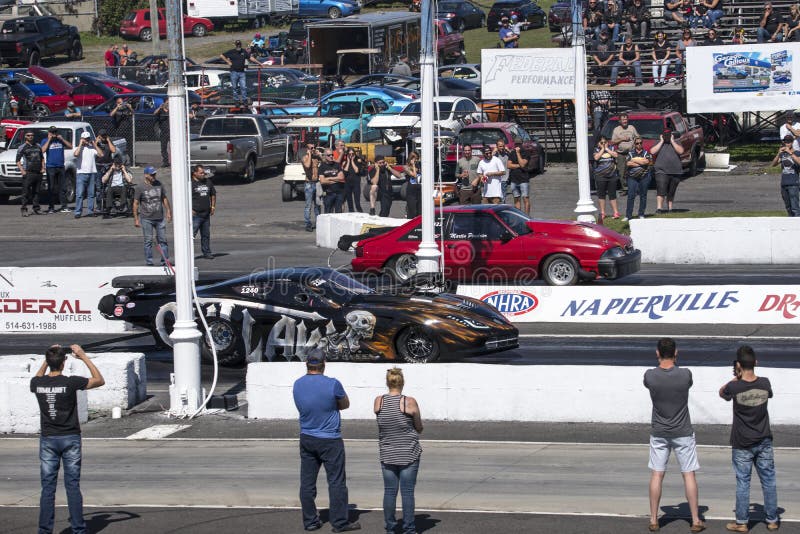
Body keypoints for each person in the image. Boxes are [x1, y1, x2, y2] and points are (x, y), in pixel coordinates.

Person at [30, 344, 105, 534]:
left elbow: (39, 376)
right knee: (72, 486)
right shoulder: (71, 382)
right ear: (64, 363)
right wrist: (83, 356)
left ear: (48, 362)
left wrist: (48, 358)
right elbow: (99, 380)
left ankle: (44, 531)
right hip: (70, 436)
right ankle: (78, 529)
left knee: (48, 488)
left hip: (48, 438)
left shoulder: (37, 383)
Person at [644, 338, 706, 533]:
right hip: (682, 430)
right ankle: (695, 519)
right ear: (676, 353)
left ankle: (654, 519)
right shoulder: (685, 374)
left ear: (657, 353)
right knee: (688, 474)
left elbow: (648, 383)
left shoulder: (650, 375)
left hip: (659, 430)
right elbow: (688, 383)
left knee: (657, 474)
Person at [293, 355, 361, 533]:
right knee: (336, 482)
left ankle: (310, 521)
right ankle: (339, 523)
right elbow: (345, 404)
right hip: (330, 439)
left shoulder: (297, 384)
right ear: (323, 365)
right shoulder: (333, 383)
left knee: (307, 483)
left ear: (307, 364)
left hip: (307, 436)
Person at [719, 346, 780, 532]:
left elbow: (722, 392)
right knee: (768, 480)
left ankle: (742, 522)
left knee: (743, 483)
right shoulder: (765, 383)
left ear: (738, 365)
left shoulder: (734, 386)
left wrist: (736, 377)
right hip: (764, 439)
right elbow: (769, 394)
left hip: (742, 442)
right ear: (756, 362)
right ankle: (772, 520)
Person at [374, 368, 423, 534]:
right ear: (402, 382)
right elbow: (419, 427)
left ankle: (390, 528)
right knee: (407, 493)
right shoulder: (409, 402)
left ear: (387, 383)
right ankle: (409, 528)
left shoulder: (379, 401)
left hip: (387, 453)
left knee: (389, 492)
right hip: (408, 453)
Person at [133, 166, 172, 266]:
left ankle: (165, 261)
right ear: (146, 175)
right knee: (148, 241)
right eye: (152, 175)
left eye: (154, 174)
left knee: (163, 240)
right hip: (147, 218)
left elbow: (164, 198)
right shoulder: (140, 187)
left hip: (159, 217)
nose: (154, 176)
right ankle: (149, 261)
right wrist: (136, 219)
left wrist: (168, 211)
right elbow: (136, 203)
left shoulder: (159, 184)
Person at [651, 128, 684, 213]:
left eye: (668, 135)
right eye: (665, 135)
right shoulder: (658, 142)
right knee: (661, 189)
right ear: (662, 135)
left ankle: (670, 208)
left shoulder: (676, 141)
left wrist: (672, 141)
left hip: (675, 171)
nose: (667, 136)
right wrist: (661, 141)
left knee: (671, 191)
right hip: (661, 170)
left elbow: (681, 151)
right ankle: (659, 208)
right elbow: (652, 151)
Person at [41, 126, 72, 214]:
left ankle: (64, 206)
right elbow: (42, 150)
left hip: (60, 166)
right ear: (49, 133)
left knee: (63, 187)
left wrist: (62, 139)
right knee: (51, 187)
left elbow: (70, 146)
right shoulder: (45, 140)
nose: (54, 134)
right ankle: (51, 207)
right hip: (51, 167)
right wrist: (49, 140)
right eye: (52, 132)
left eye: (55, 132)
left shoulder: (60, 140)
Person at [72, 132, 103, 219]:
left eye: (88, 138)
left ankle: (90, 211)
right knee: (79, 193)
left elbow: (101, 154)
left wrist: (94, 144)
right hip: (81, 173)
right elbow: (76, 154)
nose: (87, 140)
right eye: (85, 139)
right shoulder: (78, 148)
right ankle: (78, 211)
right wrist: (80, 144)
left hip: (92, 172)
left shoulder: (92, 149)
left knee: (91, 193)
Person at [220, 40, 261, 104]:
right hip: (234, 72)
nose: (238, 46)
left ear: (241, 45)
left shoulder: (244, 51)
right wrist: (228, 62)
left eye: (239, 44)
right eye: (237, 45)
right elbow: (222, 55)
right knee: (234, 87)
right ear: (235, 45)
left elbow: (250, 58)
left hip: (242, 72)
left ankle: (244, 99)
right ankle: (236, 100)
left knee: (243, 87)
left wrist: (259, 63)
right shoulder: (231, 51)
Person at [16, 130, 45, 217]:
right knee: (25, 192)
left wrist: (43, 167)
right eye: (28, 135)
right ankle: (24, 209)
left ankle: (36, 208)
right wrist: (22, 170)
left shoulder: (38, 146)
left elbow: (42, 158)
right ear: (25, 136)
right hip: (28, 172)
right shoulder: (22, 147)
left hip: (38, 172)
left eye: (32, 135)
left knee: (36, 192)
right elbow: (17, 160)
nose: (30, 137)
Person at [191, 164, 216, 258]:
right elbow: (185, 198)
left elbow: (213, 194)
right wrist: (190, 209)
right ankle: (188, 253)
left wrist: (212, 207)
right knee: (191, 235)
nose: (203, 174)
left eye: (204, 173)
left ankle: (207, 252)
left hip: (206, 214)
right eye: (201, 173)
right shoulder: (190, 184)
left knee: (206, 235)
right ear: (195, 173)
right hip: (195, 214)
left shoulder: (208, 182)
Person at [624, 137, 653, 220]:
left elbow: (647, 162)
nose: (639, 144)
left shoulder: (646, 153)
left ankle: (641, 214)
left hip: (644, 177)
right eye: (637, 143)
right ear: (634, 144)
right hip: (632, 178)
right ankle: (628, 216)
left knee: (643, 196)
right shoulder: (630, 153)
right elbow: (628, 163)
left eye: (640, 143)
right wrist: (641, 162)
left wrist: (634, 160)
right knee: (631, 196)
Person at [771, 135, 800, 217]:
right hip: (784, 183)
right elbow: (773, 164)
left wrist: (790, 153)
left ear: (792, 142)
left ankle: (797, 221)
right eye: (786, 142)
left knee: (795, 207)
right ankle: (790, 221)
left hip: (794, 183)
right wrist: (778, 153)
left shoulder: (797, 153)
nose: (787, 144)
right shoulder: (782, 154)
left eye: (789, 142)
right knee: (788, 207)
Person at [592, 136, 620, 219]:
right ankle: (603, 212)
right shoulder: (596, 149)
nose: (604, 144)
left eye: (605, 142)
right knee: (601, 195)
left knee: (612, 195)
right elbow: (596, 157)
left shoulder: (611, 148)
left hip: (612, 175)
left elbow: (616, 155)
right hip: (600, 176)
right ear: (598, 143)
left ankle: (615, 212)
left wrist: (607, 149)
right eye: (602, 143)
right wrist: (602, 149)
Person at [611, 111, 639, 184]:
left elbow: (638, 137)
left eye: (626, 119)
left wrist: (636, 141)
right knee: (622, 172)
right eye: (623, 119)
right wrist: (622, 139)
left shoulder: (631, 128)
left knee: (633, 170)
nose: (625, 121)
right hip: (621, 154)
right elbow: (612, 142)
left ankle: (633, 186)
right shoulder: (616, 129)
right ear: (619, 121)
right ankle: (624, 187)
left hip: (631, 153)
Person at [507, 141, 532, 214]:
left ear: (522, 144)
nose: (517, 146)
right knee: (516, 199)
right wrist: (519, 166)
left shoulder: (526, 153)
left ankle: (527, 216)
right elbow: (509, 165)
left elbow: (523, 164)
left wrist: (518, 153)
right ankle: (518, 216)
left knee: (525, 198)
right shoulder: (512, 153)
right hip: (514, 180)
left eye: (519, 144)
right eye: (516, 144)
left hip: (523, 180)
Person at [318, 148, 345, 213]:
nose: (331, 156)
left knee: (339, 213)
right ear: (325, 156)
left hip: (339, 193)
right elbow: (322, 181)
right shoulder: (322, 166)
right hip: (328, 193)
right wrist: (336, 179)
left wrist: (329, 178)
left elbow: (341, 177)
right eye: (329, 155)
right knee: (328, 213)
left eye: (332, 155)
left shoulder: (337, 165)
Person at [301, 141, 321, 231]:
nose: (313, 149)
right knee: (308, 206)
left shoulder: (316, 158)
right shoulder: (304, 158)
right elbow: (308, 166)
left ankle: (319, 222)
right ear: (307, 149)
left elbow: (326, 161)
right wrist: (309, 154)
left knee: (318, 205)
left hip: (317, 183)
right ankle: (308, 224)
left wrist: (319, 155)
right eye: (311, 148)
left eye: (314, 148)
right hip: (309, 184)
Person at [342, 148, 364, 213]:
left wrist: (352, 161)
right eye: (349, 154)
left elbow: (357, 171)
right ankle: (351, 213)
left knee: (357, 203)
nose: (351, 155)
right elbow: (345, 172)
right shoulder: (345, 162)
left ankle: (361, 214)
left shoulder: (358, 161)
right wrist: (348, 161)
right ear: (347, 154)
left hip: (356, 183)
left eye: (352, 154)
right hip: (347, 184)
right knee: (349, 202)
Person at [404, 151, 422, 219]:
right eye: (415, 159)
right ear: (411, 159)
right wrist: (413, 165)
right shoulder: (406, 167)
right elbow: (414, 175)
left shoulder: (418, 166)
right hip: (411, 189)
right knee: (412, 209)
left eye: (417, 159)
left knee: (419, 209)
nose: (416, 160)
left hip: (419, 188)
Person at [154, 99, 170, 167]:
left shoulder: (172, 109)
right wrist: (160, 107)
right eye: (167, 103)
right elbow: (154, 113)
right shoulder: (161, 110)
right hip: (163, 131)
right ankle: (165, 162)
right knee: (163, 147)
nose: (168, 104)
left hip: (172, 131)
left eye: (169, 103)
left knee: (173, 147)